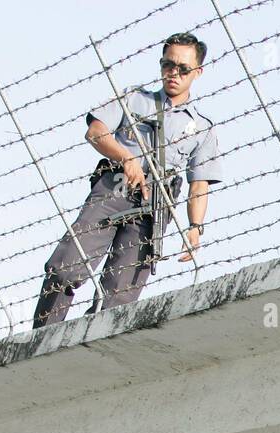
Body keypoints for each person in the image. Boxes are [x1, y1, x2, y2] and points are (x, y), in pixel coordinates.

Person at [31, 32, 222, 328]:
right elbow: (96, 131)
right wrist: (126, 157)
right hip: (115, 187)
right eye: (167, 65)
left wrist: (195, 227)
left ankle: (82, 355)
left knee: (118, 298)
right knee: (65, 268)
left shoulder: (202, 128)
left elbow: (199, 183)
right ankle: (40, 337)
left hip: (154, 204)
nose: (174, 73)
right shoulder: (134, 98)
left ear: (197, 72)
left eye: (183, 69)